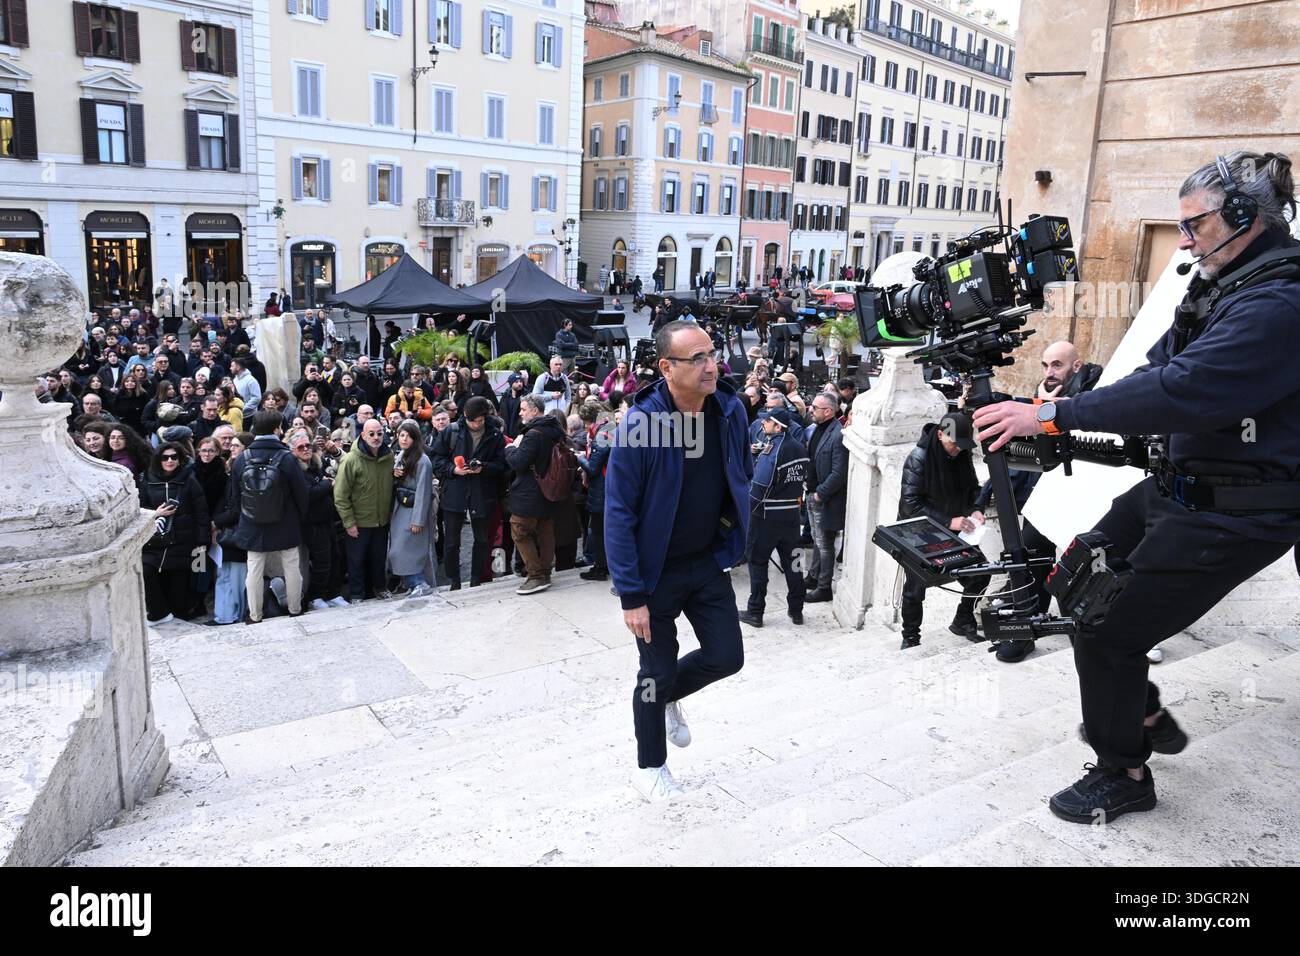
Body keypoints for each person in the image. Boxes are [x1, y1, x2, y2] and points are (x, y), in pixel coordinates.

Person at [972, 150, 1300, 825]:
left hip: (1237, 509)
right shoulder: (1224, 281)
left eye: (1195, 225)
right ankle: (1142, 712)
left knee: (1106, 628)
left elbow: (1186, 389)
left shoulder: (1280, 304)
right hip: (1178, 486)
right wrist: (1070, 420)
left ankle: (1123, 770)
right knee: (1073, 575)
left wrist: (1053, 413)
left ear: (1245, 219)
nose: (1182, 240)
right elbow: (1154, 373)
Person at [605, 320, 753, 802]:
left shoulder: (728, 409)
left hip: (707, 562)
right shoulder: (641, 425)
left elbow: (738, 475)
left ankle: (670, 697)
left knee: (727, 657)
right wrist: (631, 595)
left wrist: (732, 536)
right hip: (654, 576)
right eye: (698, 359)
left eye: (712, 355)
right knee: (654, 674)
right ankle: (649, 766)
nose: (712, 366)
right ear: (666, 368)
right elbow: (619, 512)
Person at [976, 339, 1103, 664]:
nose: (1048, 372)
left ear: (1076, 366)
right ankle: (1026, 631)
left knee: (1088, 570)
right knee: (1033, 557)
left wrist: (1049, 410)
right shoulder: (1045, 393)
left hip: (1087, 492)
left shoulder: (1093, 385)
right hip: (1048, 493)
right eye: (1045, 365)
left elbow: (1088, 418)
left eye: (1056, 365)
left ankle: (1096, 642)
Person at [896, 421, 991, 648]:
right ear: (940, 435)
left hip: (958, 528)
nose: (958, 449)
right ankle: (910, 636)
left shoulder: (962, 454)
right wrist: (949, 521)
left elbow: (972, 488)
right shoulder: (918, 459)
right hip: (922, 532)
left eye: (962, 446)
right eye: (954, 444)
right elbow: (911, 505)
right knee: (915, 588)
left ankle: (963, 618)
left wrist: (976, 509)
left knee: (980, 572)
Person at [228, 410, 309, 623]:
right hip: (285, 519)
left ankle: (255, 615)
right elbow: (301, 493)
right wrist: (298, 516)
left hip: (252, 521)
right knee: (291, 565)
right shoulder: (287, 458)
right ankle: (295, 608)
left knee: (253, 568)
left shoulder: (242, 459)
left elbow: (235, 497)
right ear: (276, 430)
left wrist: (245, 516)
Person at [739, 407, 808, 628]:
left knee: (757, 562)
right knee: (795, 564)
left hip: (766, 517)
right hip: (792, 518)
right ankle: (797, 611)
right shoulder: (800, 447)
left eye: (767, 422)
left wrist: (748, 512)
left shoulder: (772, 451)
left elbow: (759, 487)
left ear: (778, 426)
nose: (762, 425)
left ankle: (755, 611)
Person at [431, 396, 507, 590]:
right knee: (451, 541)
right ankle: (454, 581)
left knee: (482, 539)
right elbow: (436, 459)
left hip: (482, 493)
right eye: (473, 421)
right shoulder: (451, 431)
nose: (476, 424)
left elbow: (501, 465)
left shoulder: (495, 434)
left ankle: (476, 579)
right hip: (455, 491)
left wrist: (484, 467)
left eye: (480, 421)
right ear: (465, 415)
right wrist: (453, 470)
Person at [137, 442, 210, 625]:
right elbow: (138, 509)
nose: (169, 460)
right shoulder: (147, 479)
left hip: (185, 542)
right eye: (165, 457)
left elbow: (201, 512)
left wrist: (202, 542)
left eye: (174, 457)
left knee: (184, 582)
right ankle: (158, 613)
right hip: (154, 541)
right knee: (147, 573)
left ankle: (182, 615)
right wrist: (156, 513)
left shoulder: (189, 480)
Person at [504, 395, 567, 594]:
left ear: (535, 410)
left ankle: (536, 576)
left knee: (520, 531)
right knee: (545, 531)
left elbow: (519, 463)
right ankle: (545, 573)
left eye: (523, 409)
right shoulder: (556, 430)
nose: (520, 413)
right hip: (550, 490)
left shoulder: (533, 434)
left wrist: (511, 448)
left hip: (530, 492)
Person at [333, 418, 396, 603]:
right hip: (359, 521)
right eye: (371, 434)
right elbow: (340, 495)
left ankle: (379, 587)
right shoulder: (351, 460)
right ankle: (357, 594)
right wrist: (349, 522)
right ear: (363, 435)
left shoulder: (388, 456)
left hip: (381, 519)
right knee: (356, 561)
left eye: (379, 433)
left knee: (378, 558)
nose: (376, 437)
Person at [287, 427, 345, 611]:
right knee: (322, 560)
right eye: (301, 447)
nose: (306, 449)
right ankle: (315, 596)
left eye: (307, 446)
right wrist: (327, 484)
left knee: (335, 556)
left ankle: (334, 593)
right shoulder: (295, 470)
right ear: (293, 451)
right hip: (311, 523)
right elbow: (308, 494)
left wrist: (323, 484)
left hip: (327, 519)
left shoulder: (315, 465)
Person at [803, 393, 848, 603]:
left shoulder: (838, 435)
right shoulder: (818, 429)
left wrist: (821, 493)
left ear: (829, 411)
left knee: (825, 544)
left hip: (824, 499)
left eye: (815, 407)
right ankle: (813, 577)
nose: (811, 409)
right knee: (817, 540)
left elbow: (839, 472)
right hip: (812, 494)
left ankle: (824, 587)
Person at [387, 420, 437, 598]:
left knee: (409, 551)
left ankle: (418, 582)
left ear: (415, 438)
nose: (404, 439)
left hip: (414, 510)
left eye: (408, 436)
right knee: (398, 550)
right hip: (400, 509)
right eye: (401, 435)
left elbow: (424, 491)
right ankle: (412, 582)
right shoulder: (401, 455)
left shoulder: (423, 460)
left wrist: (418, 520)